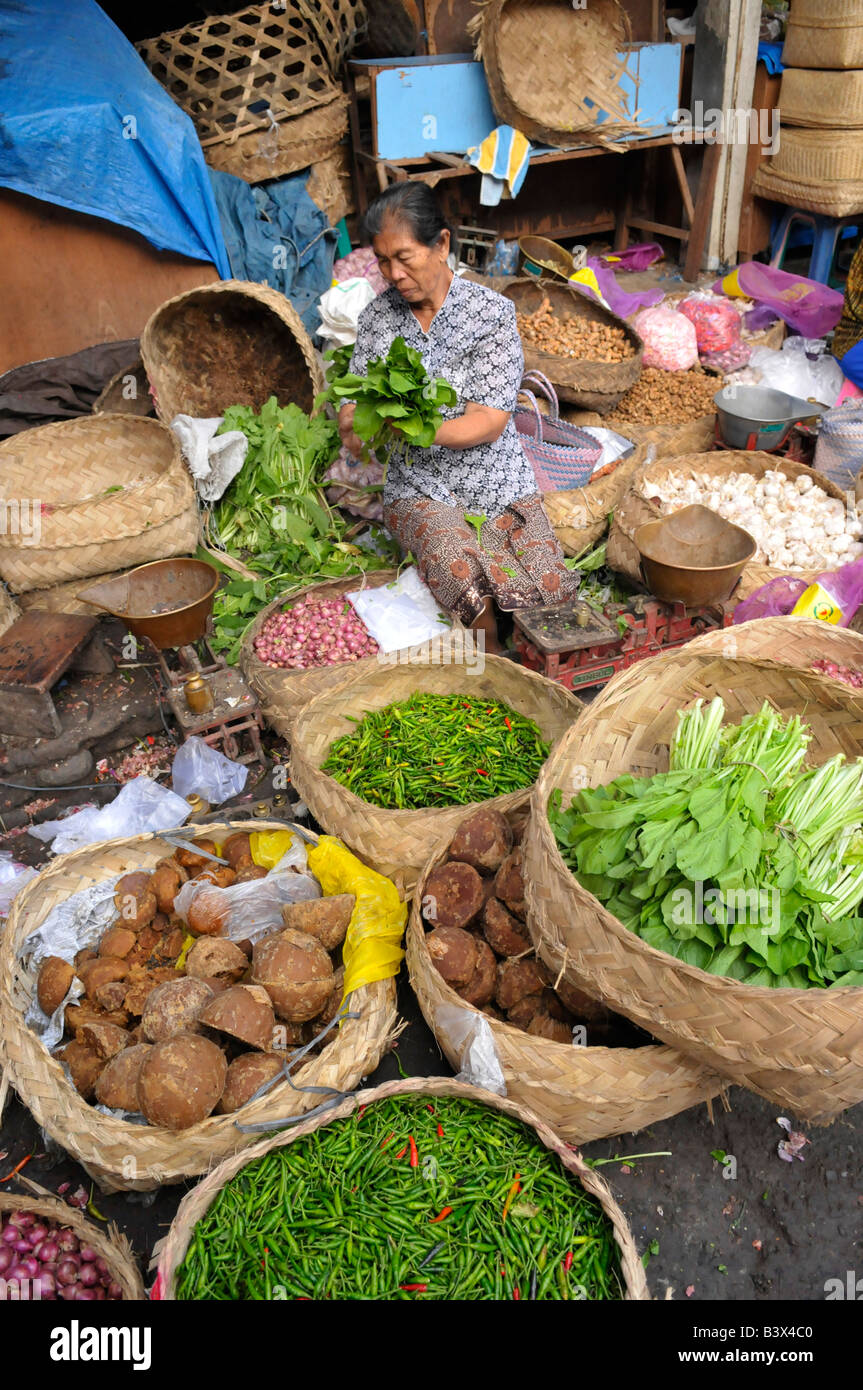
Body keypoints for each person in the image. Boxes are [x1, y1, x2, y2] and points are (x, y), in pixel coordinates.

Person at [338, 183, 579, 655]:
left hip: (498, 484)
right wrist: (354, 426)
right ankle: (488, 677)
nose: (394, 273)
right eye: (383, 261)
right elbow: (356, 403)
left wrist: (417, 428)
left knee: (550, 593)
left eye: (405, 257)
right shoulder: (378, 320)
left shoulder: (490, 314)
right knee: (469, 587)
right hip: (419, 488)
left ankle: (545, 678)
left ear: (442, 244)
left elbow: (488, 419)